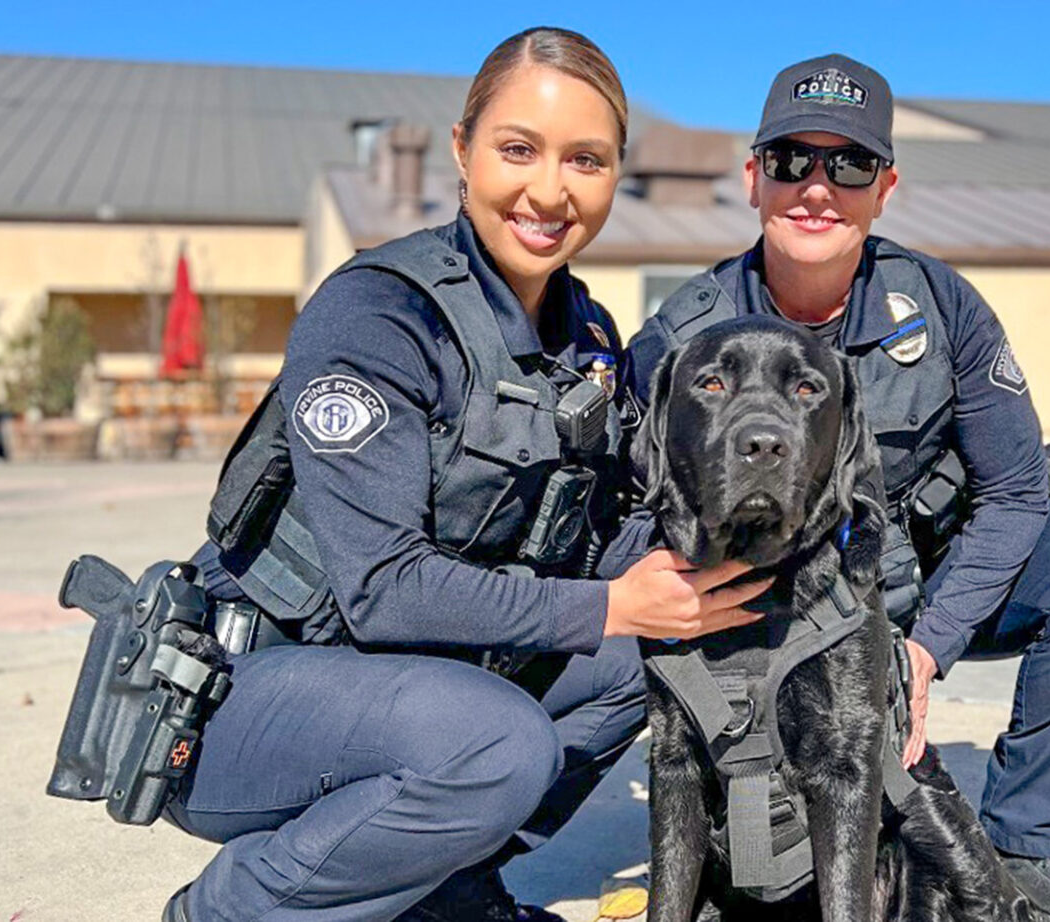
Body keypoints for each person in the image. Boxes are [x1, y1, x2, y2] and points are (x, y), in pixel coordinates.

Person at [160, 28, 770, 922]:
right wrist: (611, 604)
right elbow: (382, 591)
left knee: (637, 658)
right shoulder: (379, 313)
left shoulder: (587, 337)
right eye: (518, 149)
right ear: (462, 149)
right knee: (500, 741)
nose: (550, 192)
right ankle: (236, 906)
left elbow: (603, 537)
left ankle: (446, 892)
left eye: (585, 160)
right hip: (250, 696)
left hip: (415, 686)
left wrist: (746, 546)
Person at [625, 54, 1050, 922]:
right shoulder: (686, 336)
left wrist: (925, 648)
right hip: (767, 604)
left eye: (849, 164)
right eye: (791, 161)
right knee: (603, 652)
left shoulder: (941, 306)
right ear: (753, 179)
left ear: (884, 188)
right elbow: (639, 500)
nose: (817, 187)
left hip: (928, 585)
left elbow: (1016, 491)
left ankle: (1037, 843)